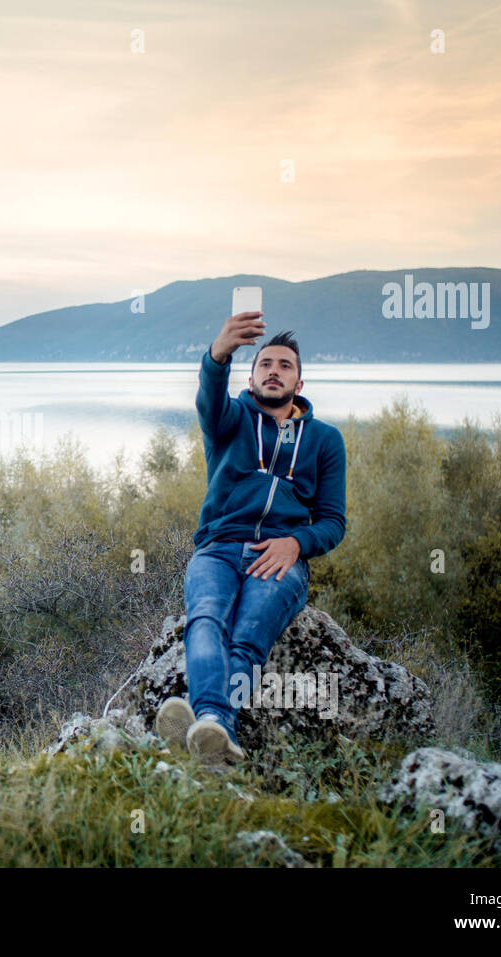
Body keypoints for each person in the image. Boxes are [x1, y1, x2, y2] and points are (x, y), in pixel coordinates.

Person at [155, 311, 347, 764]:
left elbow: (333, 522)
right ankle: (217, 725)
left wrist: (296, 544)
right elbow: (208, 399)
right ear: (252, 374)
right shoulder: (230, 419)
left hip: (279, 559)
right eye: (265, 364)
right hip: (218, 549)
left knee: (245, 640)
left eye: (285, 366)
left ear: (299, 383)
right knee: (205, 620)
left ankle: (203, 725)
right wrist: (217, 354)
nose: (274, 371)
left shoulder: (325, 440)